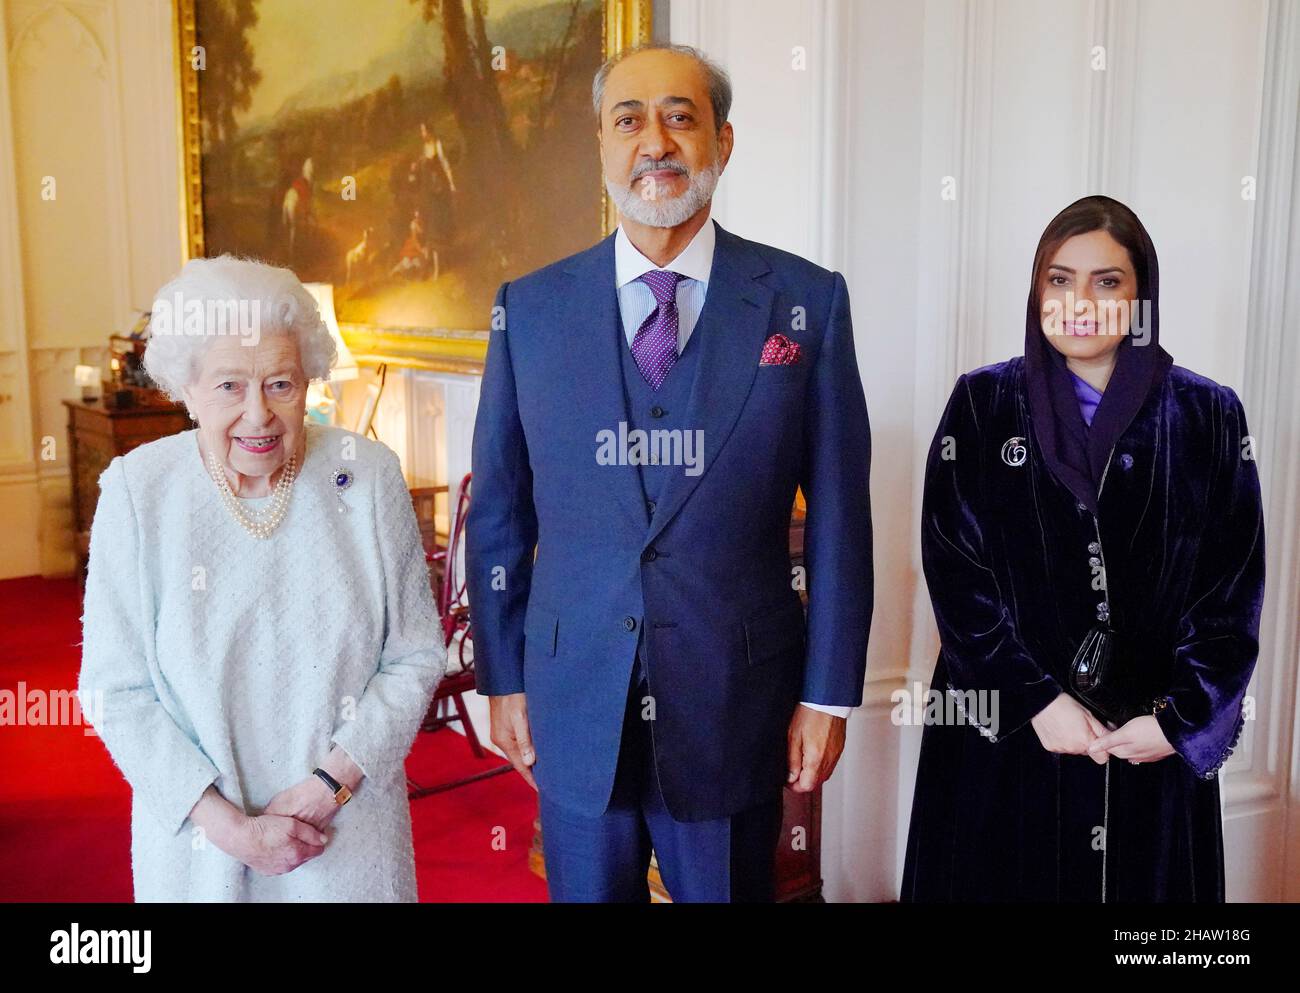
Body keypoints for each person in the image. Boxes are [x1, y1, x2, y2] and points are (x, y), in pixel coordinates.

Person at [466, 43, 873, 902]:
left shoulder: (807, 301)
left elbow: (841, 517)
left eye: (680, 117)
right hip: (573, 703)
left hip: (736, 705)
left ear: (722, 143)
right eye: (629, 120)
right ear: (603, 147)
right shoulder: (528, 309)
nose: (655, 141)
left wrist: (830, 694)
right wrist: (501, 674)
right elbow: (502, 511)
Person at [901, 195, 1265, 901]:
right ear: (1038, 290)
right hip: (1005, 738)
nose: (1080, 302)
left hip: (1145, 739)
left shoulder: (1209, 416)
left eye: (1108, 282)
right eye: (1060, 280)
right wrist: (1037, 700)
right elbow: (954, 571)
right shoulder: (982, 405)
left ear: (1141, 295)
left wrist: (1179, 721)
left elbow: (1231, 589)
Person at [78, 256, 446, 901]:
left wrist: (330, 786)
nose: (259, 415)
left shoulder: (367, 473)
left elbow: (415, 655)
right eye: (229, 387)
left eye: (281, 383)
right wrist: (231, 828)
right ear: (186, 388)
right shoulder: (139, 493)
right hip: (200, 844)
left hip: (346, 829)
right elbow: (117, 690)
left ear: (308, 379)